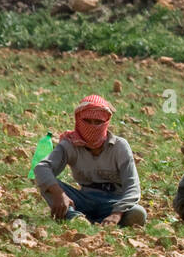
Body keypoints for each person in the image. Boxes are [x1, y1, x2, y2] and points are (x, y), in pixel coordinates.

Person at [33, 94, 146, 226]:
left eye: (98, 122)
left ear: (106, 123)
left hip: (114, 202)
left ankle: (108, 221)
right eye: (87, 121)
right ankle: (76, 218)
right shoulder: (70, 145)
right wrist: (59, 194)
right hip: (83, 199)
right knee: (47, 184)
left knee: (138, 212)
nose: (93, 126)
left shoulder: (119, 146)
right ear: (78, 120)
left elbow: (132, 187)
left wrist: (117, 214)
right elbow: (41, 167)